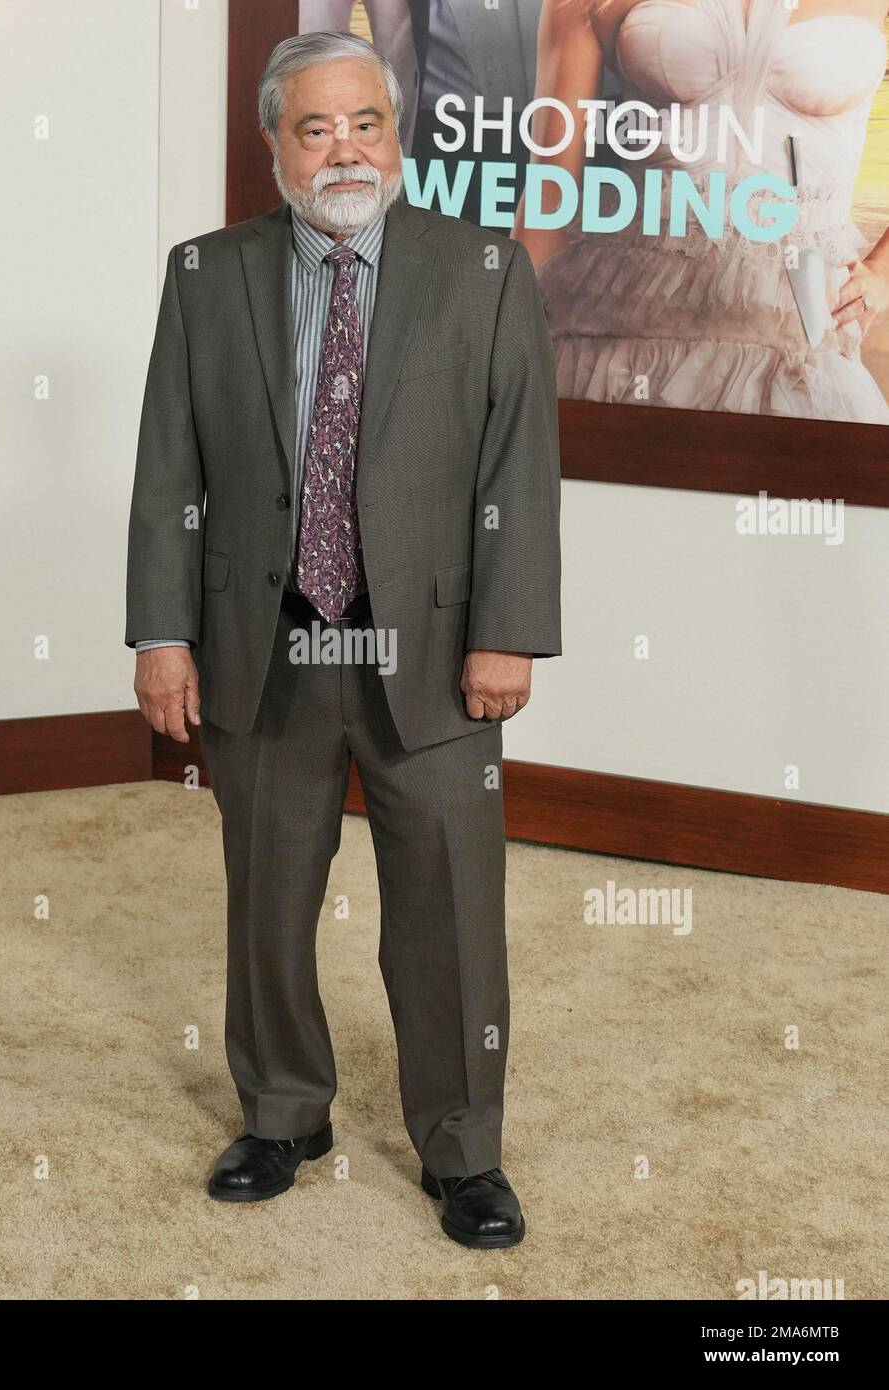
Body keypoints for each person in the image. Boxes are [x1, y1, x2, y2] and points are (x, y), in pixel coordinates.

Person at [125, 30, 562, 1249]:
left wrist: (508, 633)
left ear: (396, 131)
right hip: (260, 650)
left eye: (364, 122)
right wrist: (162, 633)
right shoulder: (205, 274)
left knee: (450, 911)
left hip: (429, 656)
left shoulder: (480, 268)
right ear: (274, 147)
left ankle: (463, 1151)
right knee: (266, 896)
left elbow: (517, 466)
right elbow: (169, 470)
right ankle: (282, 1113)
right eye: (314, 128)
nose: (344, 148)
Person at [513, 0, 889, 423]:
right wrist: (504, 348)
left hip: (800, 318)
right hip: (622, 319)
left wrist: (883, 271)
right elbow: (550, 191)